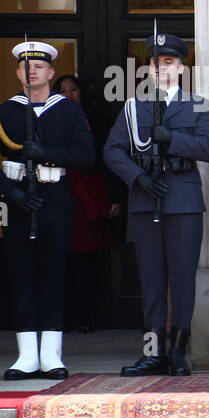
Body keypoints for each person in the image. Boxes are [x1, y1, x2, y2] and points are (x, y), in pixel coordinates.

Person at [0, 40, 94, 379]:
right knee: (21, 274)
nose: (32, 71)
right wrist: (10, 191)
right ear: (17, 72)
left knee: (54, 273)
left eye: (39, 67)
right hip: (18, 199)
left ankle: (51, 353)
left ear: (51, 72)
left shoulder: (68, 110)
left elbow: (85, 156)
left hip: (54, 198)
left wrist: (46, 153)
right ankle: (26, 355)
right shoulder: (4, 111)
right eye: (26, 67)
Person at [104, 33, 209, 376]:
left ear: (181, 67)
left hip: (182, 200)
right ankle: (153, 353)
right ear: (147, 69)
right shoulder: (133, 106)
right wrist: (138, 178)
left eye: (169, 62)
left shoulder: (197, 104)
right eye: (156, 62)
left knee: (182, 279)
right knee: (151, 280)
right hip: (145, 198)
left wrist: (174, 139)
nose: (162, 67)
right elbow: (112, 151)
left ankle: (179, 352)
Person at [57, 74, 117, 333]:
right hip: (59, 196)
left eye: (73, 90)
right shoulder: (49, 120)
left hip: (89, 198)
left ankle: (86, 315)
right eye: (63, 90)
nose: (69, 95)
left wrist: (115, 196)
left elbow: (109, 160)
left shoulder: (97, 122)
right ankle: (62, 317)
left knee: (87, 260)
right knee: (59, 260)